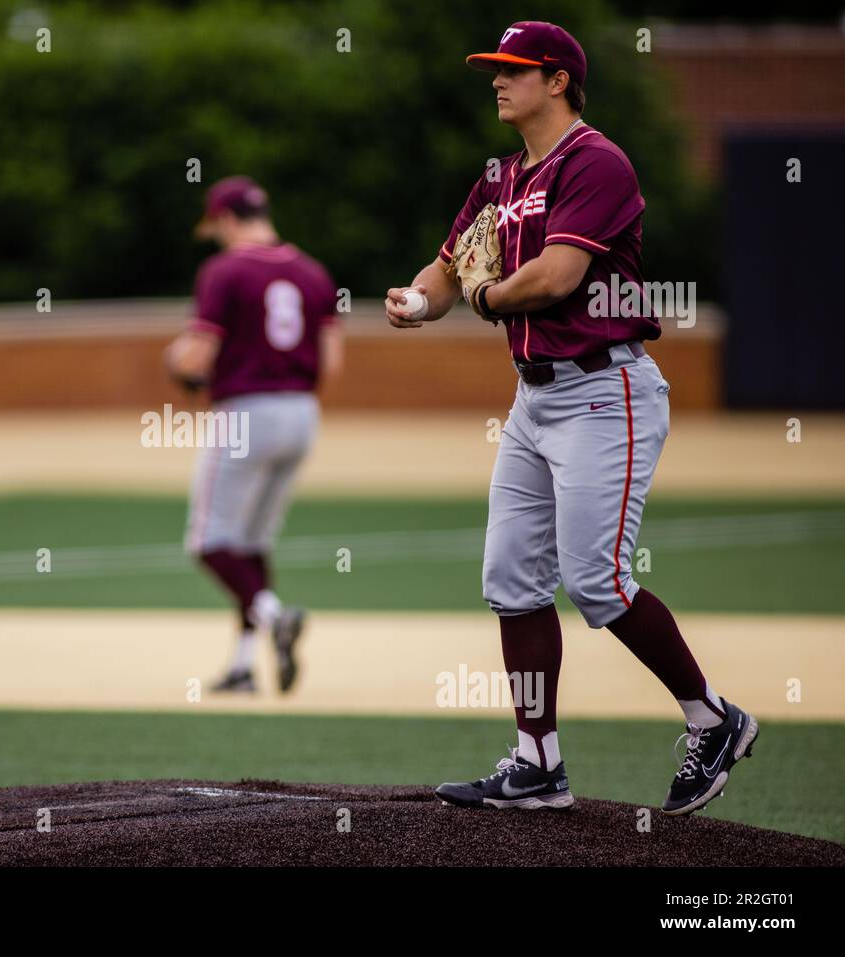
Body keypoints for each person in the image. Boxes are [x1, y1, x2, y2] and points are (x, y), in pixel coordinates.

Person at [385, 22, 758, 815]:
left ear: (557, 79)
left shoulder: (596, 162)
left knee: (598, 580)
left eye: (514, 69)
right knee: (511, 579)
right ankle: (537, 761)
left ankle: (713, 717)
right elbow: (452, 265)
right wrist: (422, 298)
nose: (497, 80)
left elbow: (555, 276)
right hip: (534, 399)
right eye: (495, 68)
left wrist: (480, 298)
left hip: (604, 392)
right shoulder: (501, 173)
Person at [165, 175, 343, 694]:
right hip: (302, 413)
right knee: (251, 542)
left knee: (209, 542)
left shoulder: (224, 271)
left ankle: (273, 616)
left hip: (245, 413)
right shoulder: (313, 273)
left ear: (225, 218)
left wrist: (175, 359)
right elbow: (332, 360)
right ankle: (243, 667)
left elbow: (197, 355)